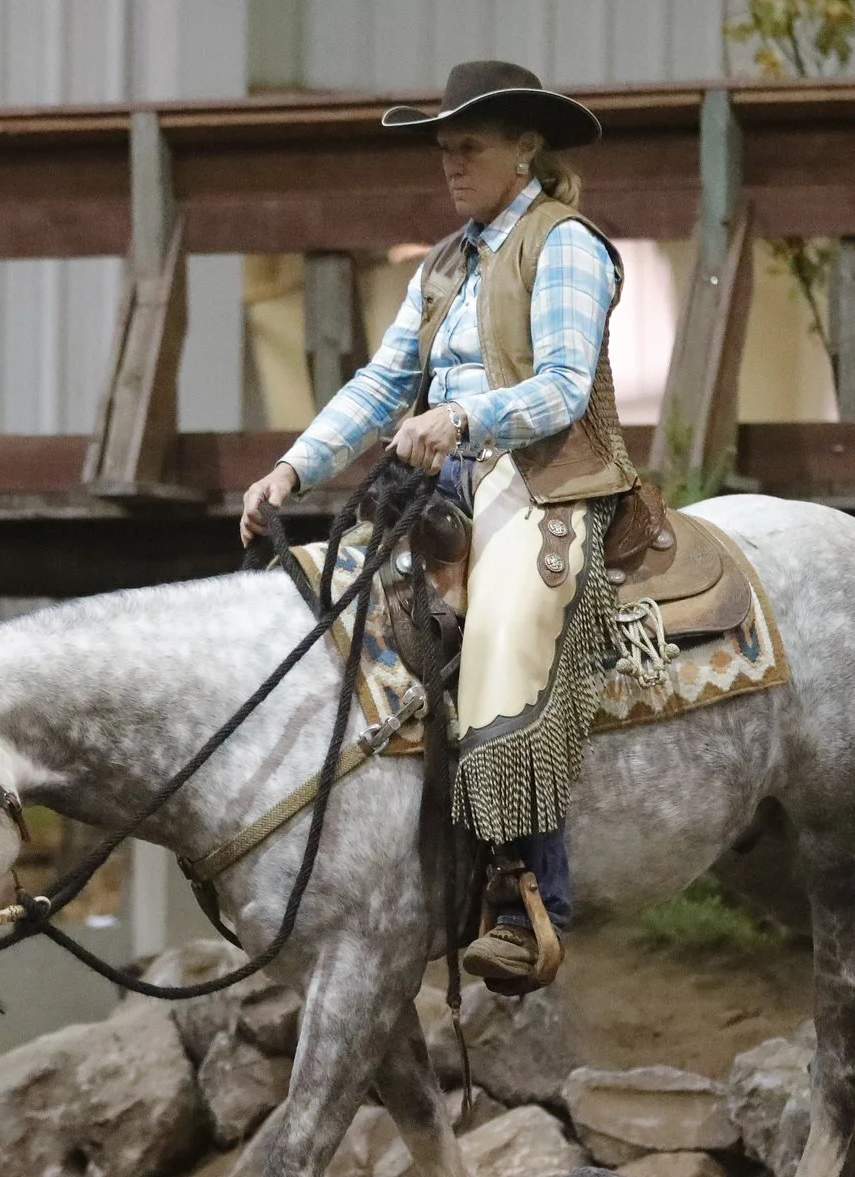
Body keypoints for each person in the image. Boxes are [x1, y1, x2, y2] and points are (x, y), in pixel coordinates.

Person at [238, 59, 639, 991]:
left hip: (545, 478)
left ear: (525, 147)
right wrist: (294, 465)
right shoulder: (445, 262)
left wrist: (460, 418)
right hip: (443, 481)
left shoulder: (565, 243)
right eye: (443, 147)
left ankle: (524, 895)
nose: (450, 161)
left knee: (505, 629)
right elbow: (383, 384)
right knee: (314, 595)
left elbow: (563, 388)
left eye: (469, 145)